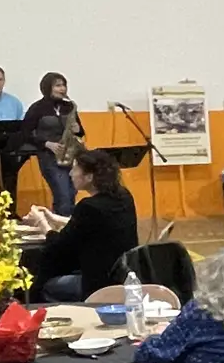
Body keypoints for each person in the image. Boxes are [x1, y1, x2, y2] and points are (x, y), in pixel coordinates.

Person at [30, 149, 138, 303]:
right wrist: (53, 218)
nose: (70, 174)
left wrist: (41, 222)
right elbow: (92, 226)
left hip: (99, 284)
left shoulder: (89, 206)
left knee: (43, 284)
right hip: (123, 276)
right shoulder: (124, 196)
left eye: (75, 169)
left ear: (89, 177)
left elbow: (58, 244)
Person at [17, 72, 87, 215]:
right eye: (58, 85)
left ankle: (62, 227)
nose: (62, 89)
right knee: (63, 196)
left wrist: (78, 129)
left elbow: (80, 132)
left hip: (70, 156)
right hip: (49, 157)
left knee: (71, 195)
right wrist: (47, 144)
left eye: (64, 85)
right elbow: (25, 133)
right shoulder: (37, 108)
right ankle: (63, 230)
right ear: (47, 87)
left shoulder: (69, 107)